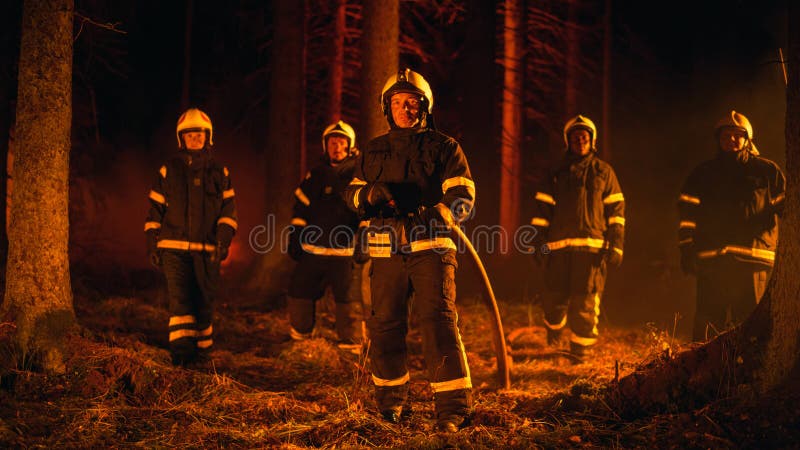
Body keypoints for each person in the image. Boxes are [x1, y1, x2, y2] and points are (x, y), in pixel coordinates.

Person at [343, 68, 475, 432]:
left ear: (425, 107)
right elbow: (351, 193)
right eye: (398, 103)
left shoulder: (445, 147)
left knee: (438, 324)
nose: (406, 109)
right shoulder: (372, 149)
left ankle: (452, 409)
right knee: (384, 327)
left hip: (432, 249)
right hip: (386, 251)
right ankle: (391, 405)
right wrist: (367, 195)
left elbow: (464, 195)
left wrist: (437, 216)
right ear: (388, 108)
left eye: (413, 102)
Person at [678, 110, 784, 341]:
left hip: (753, 261)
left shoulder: (767, 172)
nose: (731, 140)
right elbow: (687, 215)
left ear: (748, 139)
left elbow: (787, 212)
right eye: (726, 135)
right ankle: (705, 374)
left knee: (750, 325)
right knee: (707, 324)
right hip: (712, 261)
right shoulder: (702, 174)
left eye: (738, 135)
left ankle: (749, 373)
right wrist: (686, 249)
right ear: (718, 140)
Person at [144, 108, 238, 367]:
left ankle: (203, 354)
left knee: (204, 301)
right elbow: (155, 209)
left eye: (199, 135)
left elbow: (229, 213)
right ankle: (182, 357)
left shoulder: (220, 171)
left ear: (207, 137)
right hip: (172, 249)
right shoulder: (169, 170)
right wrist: (152, 242)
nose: (194, 139)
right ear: (181, 139)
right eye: (189, 136)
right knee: (180, 301)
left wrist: (223, 240)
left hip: (207, 249)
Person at [530, 114, 625, 361]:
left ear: (592, 141)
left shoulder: (604, 172)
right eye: (575, 136)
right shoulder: (555, 172)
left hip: (592, 250)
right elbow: (542, 211)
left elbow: (616, 212)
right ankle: (555, 333)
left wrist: (616, 245)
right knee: (553, 300)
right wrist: (537, 241)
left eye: (584, 136)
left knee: (585, 302)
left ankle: (579, 354)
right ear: (568, 141)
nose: (580, 140)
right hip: (557, 249)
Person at [286, 120, 364, 353]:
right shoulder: (315, 176)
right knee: (299, 290)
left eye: (341, 143)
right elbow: (300, 209)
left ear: (350, 146)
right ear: (325, 146)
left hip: (345, 252)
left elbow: (367, 213)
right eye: (332, 143)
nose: (336, 147)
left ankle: (351, 348)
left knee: (348, 299)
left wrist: (364, 241)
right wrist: (295, 236)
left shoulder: (358, 176)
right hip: (313, 251)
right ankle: (301, 341)